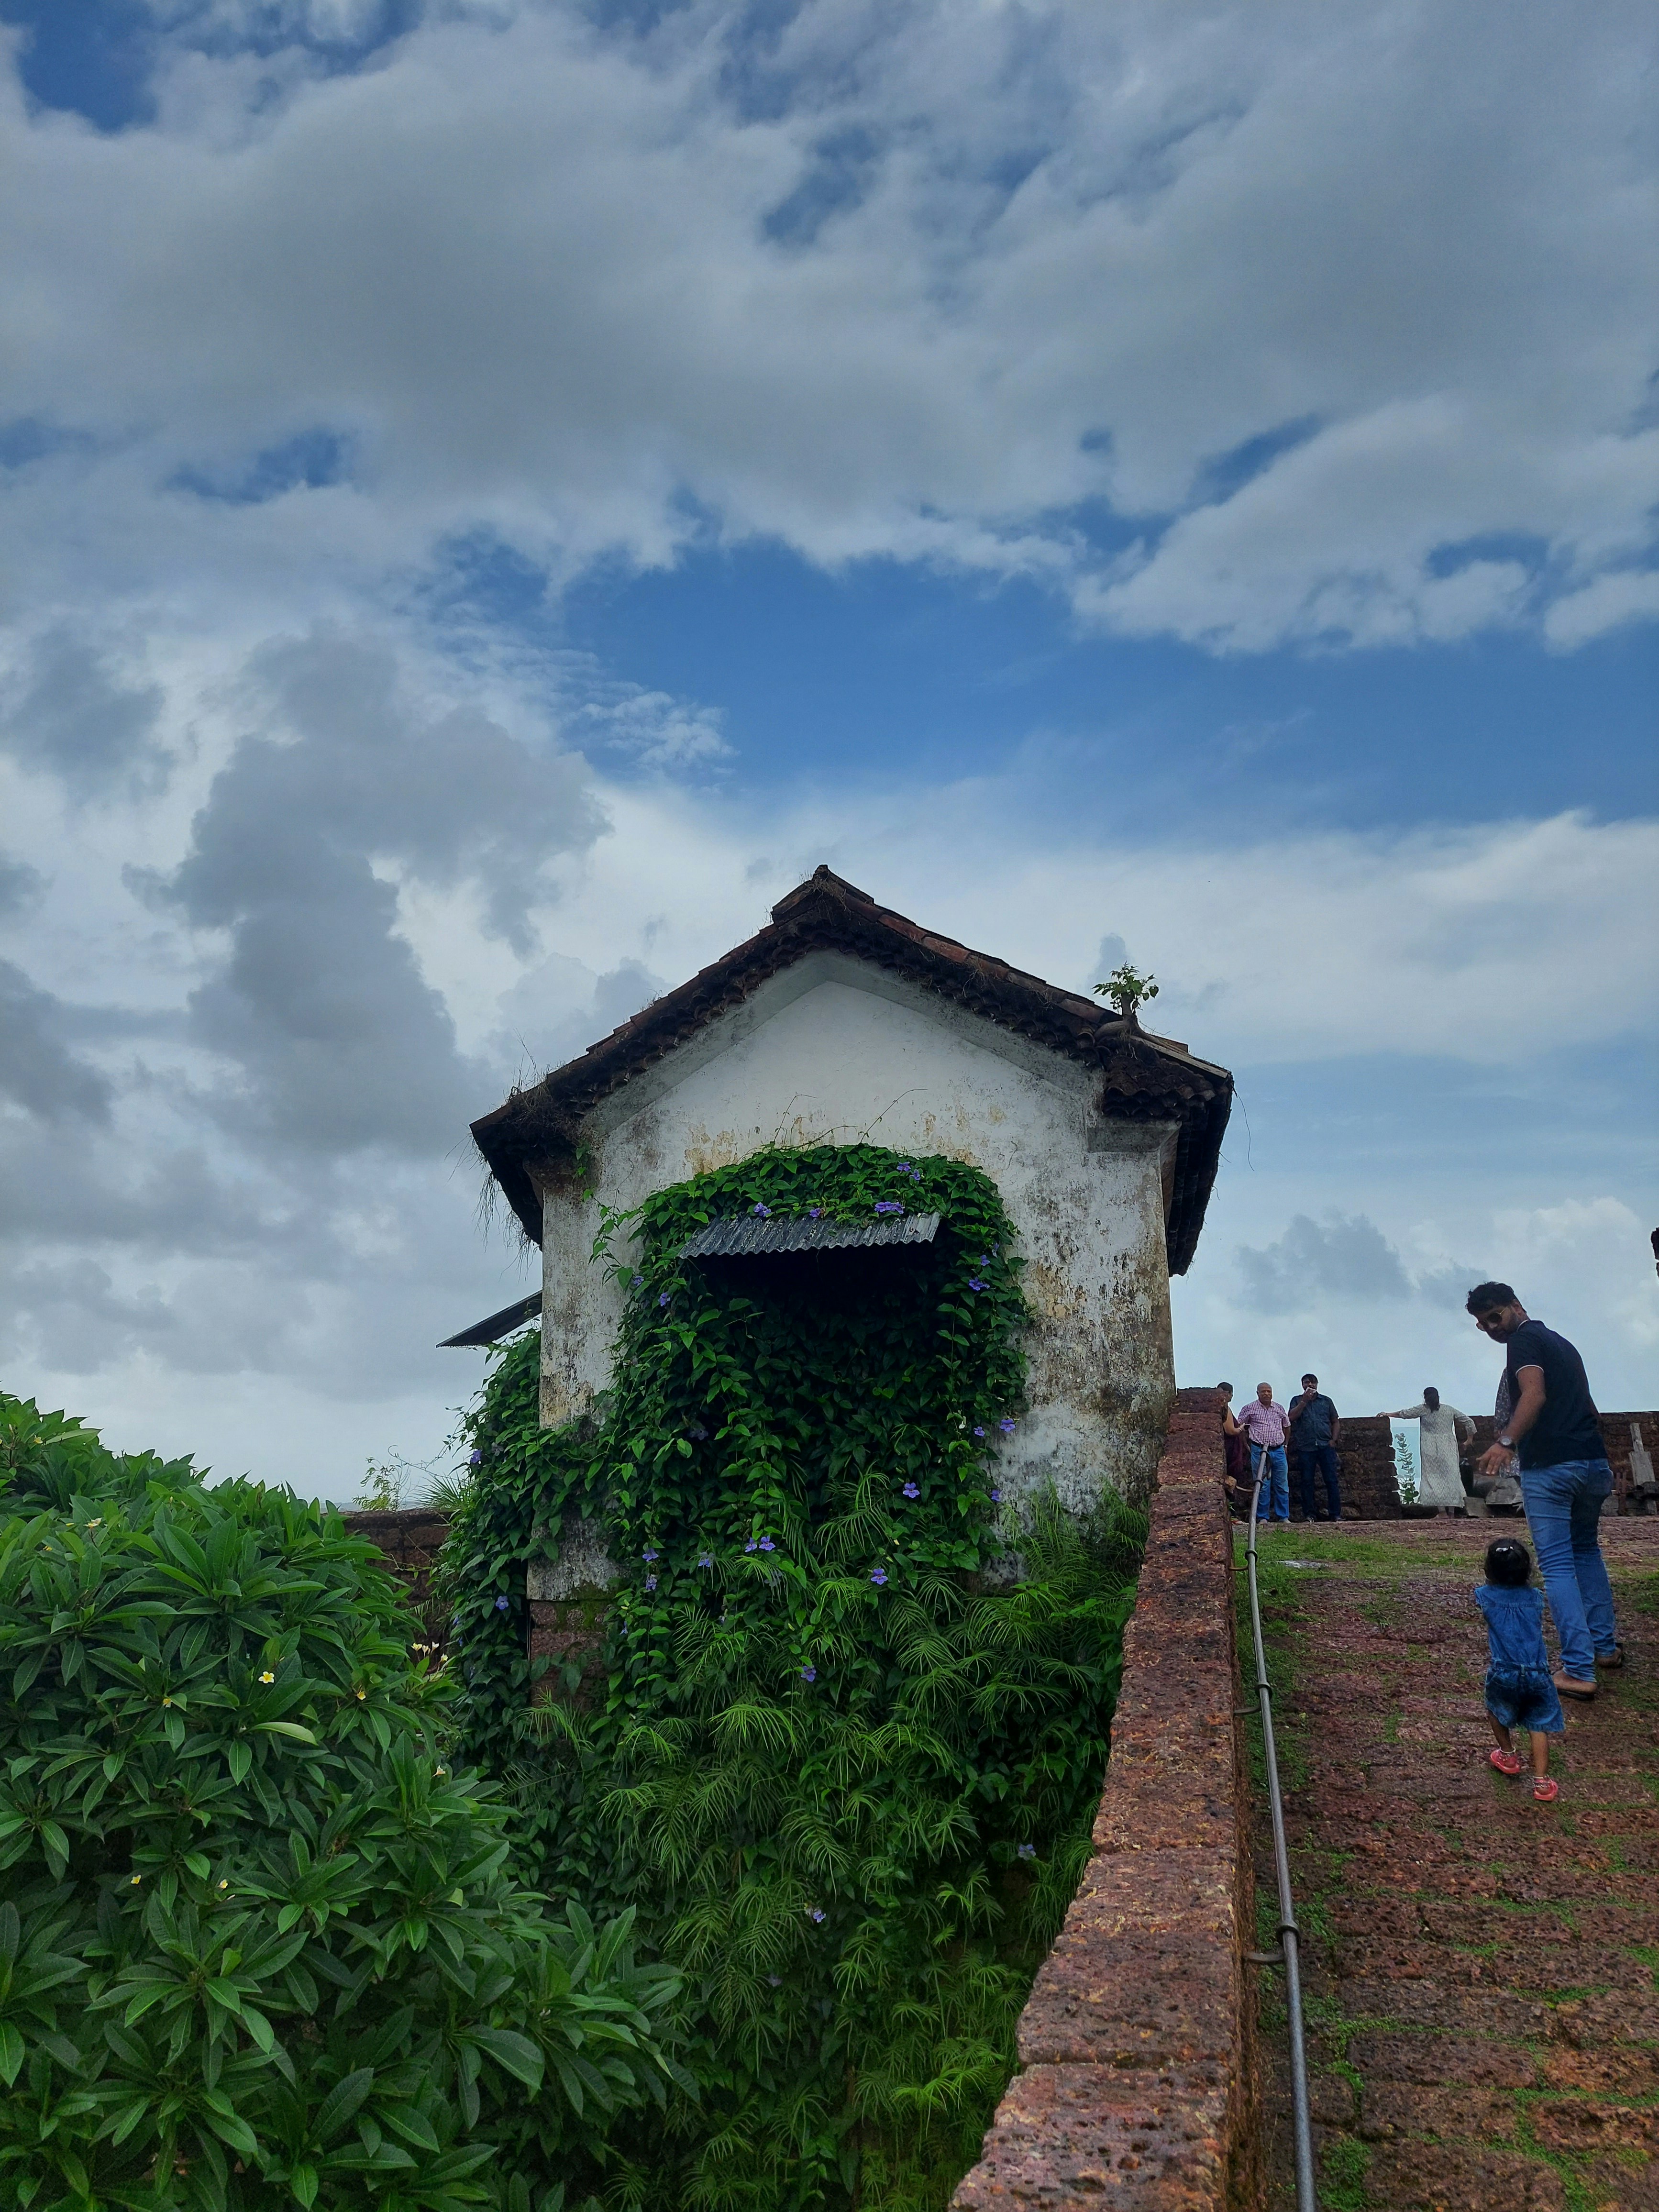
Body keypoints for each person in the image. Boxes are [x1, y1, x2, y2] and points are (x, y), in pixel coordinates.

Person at [1468, 1283, 1621, 1702]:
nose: (1490, 1328)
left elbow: (1534, 1394)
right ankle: (1605, 1648)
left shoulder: (1524, 1340)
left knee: (1556, 1566)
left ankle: (1578, 1669)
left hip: (1552, 1468)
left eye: (1494, 1317)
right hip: (1592, 1462)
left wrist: (1505, 1441)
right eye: (1482, 1325)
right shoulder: (1562, 1343)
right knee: (1586, 1552)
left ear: (1516, 1306)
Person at [1477, 1536, 1562, 1803]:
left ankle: (1507, 1754)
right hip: (1538, 1673)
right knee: (1538, 1726)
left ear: (1489, 1570)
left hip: (1504, 1671)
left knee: (1495, 1709)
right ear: (1528, 1570)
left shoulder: (1484, 1596)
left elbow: (1484, 1599)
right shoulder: (1536, 1598)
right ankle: (1542, 1783)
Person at [1384, 1387, 1474, 1515]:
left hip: (1429, 1446)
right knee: (1452, 1477)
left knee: (1433, 1478)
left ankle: (1442, 1512)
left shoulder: (1424, 1409)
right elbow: (1469, 1422)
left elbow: (1405, 1414)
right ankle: (1452, 1513)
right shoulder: (1449, 1410)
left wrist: (1388, 1414)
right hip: (1448, 1446)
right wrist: (1469, 1440)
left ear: (1425, 1397)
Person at [1235, 1381, 1292, 1525]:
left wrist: (1285, 1445)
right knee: (1262, 1484)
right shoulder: (1249, 1408)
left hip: (1278, 1450)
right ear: (1258, 1393)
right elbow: (1240, 1428)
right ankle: (1263, 1517)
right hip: (1260, 1450)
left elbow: (1287, 1426)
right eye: (1264, 1392)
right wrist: (1246, 1445)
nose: (1267, 1394)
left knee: (1282, 1485)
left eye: (1269, 1391)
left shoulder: (1279, 1408)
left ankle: (1284, 1516)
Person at [1287, 1373, 1342, 1522]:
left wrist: (1334, 1440)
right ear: (1302, 1385)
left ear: (1317, 1385)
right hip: (1306, 1447)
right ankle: (1309, 1515)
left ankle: (1336, 1514)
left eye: (1313, 1382)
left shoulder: (1326, 1401)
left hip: (1326, 1445)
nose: (1310, 1385)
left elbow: (1335, 1421)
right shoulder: (1297, 1400)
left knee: (1331, 1480)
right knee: (1307, 1481)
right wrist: (1304, 1402)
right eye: (1307, 1382)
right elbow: (1291, 1418)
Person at [1217, 1383, 1251, 1515]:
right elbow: (1231, 1431)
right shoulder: (1226, 1409)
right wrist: (1241, 1429)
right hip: (1230, 1452)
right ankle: (1231, 1515)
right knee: (1229, 1483)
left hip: (1230, 1451)